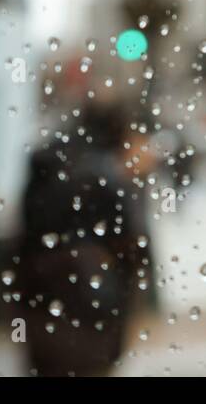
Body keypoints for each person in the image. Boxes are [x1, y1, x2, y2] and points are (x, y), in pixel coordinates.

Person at [17, 104, 147, 376]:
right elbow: (130, 243)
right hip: (93, 301)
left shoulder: (45, 162)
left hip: (40, 295)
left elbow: (25, 229)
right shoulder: (108, 174)